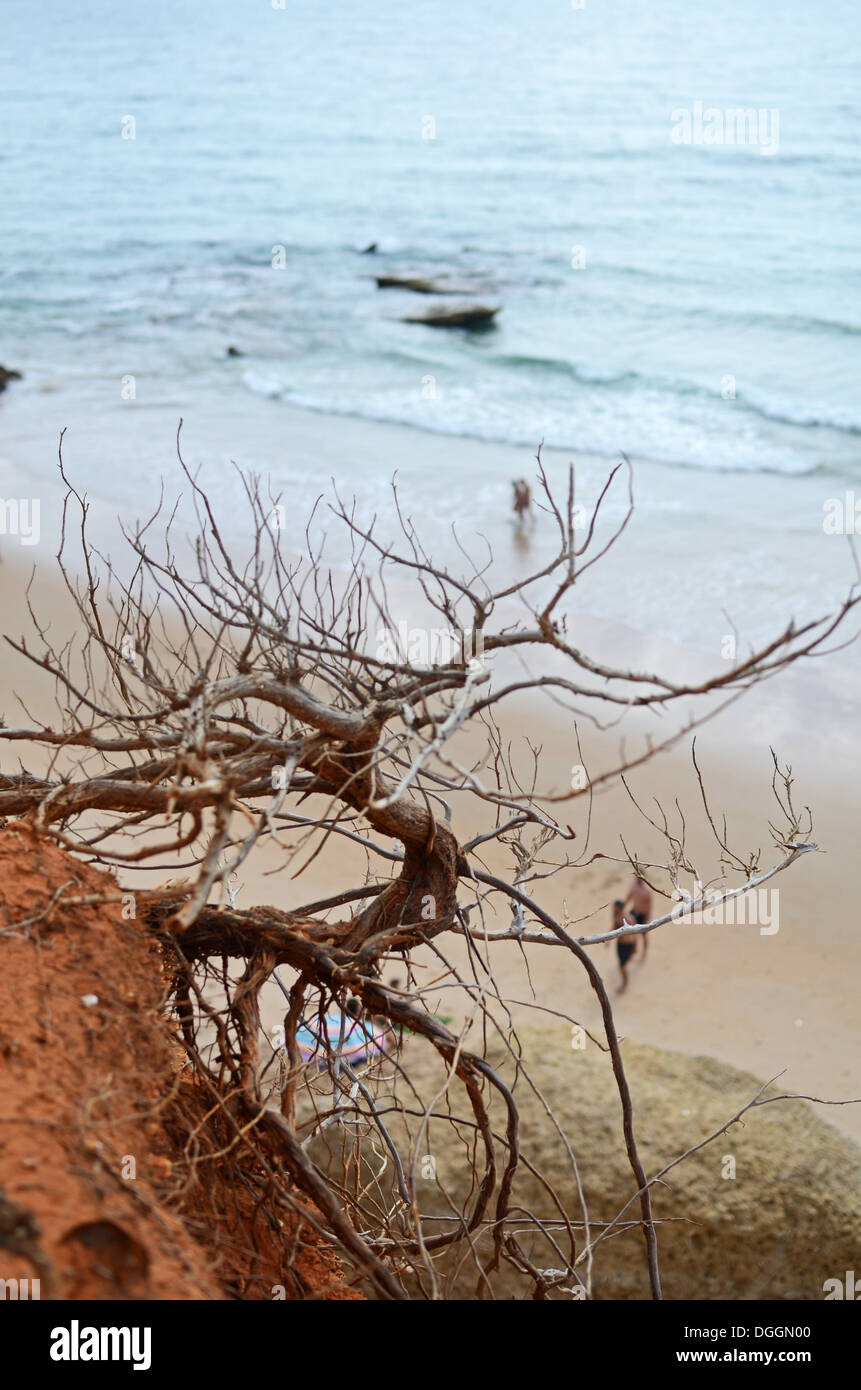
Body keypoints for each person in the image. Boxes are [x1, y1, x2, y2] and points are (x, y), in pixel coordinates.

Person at [611, 899, 641, 993]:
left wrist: (635, 947)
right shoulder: (616, 916)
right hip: (620, 944)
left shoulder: (628, 918)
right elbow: (614, 927)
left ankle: (625, 985)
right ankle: (625, 983)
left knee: (622, 967)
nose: (613, 910)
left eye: (615, 908)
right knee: (622, 965)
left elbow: (635, 932)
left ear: (620, 909)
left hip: (627, 945)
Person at [624, 873, 652, 959]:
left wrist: (647, 918)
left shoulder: (647, 890)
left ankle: (644, 952)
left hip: (643, 915)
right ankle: (634, 949)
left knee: (644, 935)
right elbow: (629, 896)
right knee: (632, 932)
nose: (637, 879)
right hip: (634, 912)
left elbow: (649, 905)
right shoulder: (634, 886)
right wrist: (623, 906)